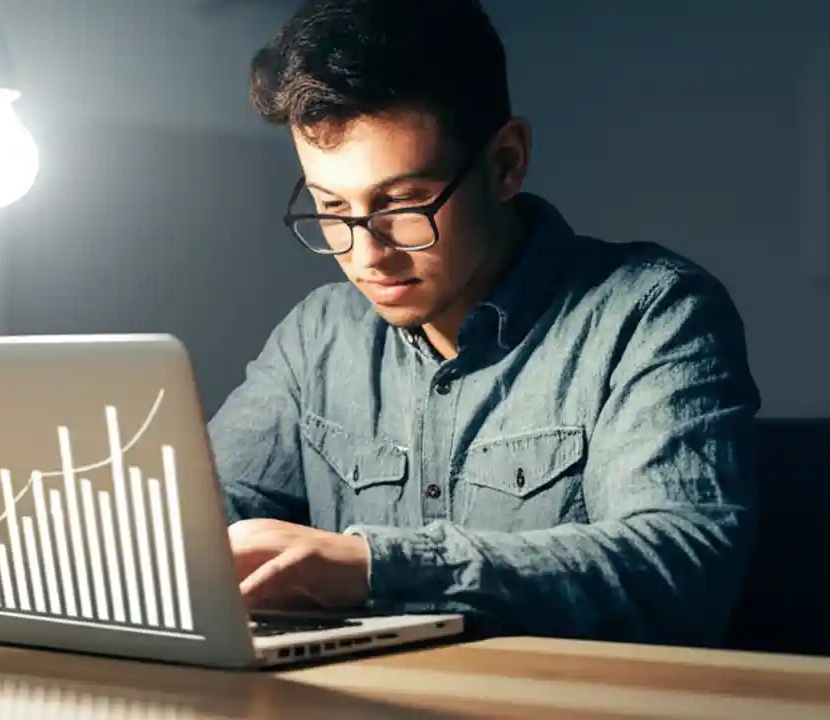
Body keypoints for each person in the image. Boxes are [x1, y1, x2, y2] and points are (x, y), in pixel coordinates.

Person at [211, 0, 760, 645]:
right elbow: (196, 521)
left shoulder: (653, 314)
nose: (366, 254)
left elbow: (680, 572)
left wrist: (375, 567)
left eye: (406, 204)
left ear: (505, 162)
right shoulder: (318, 336)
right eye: (332, 208)